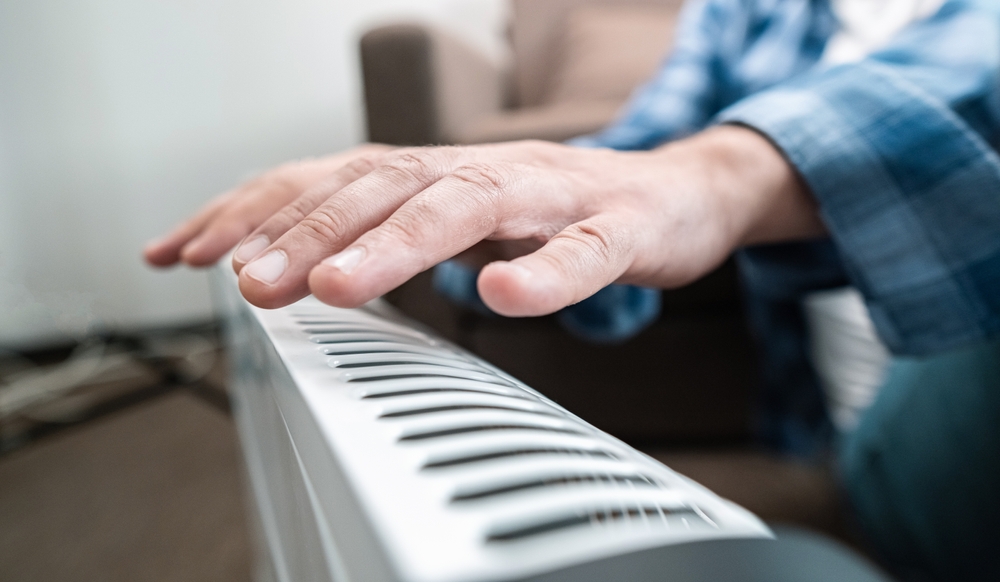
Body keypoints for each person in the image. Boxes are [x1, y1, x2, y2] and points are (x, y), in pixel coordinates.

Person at [145, 0, 1000, 578]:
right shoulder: (741, 13)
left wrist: (724, 173)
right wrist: (484, 213)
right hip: (898, 441)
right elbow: (629, 172)